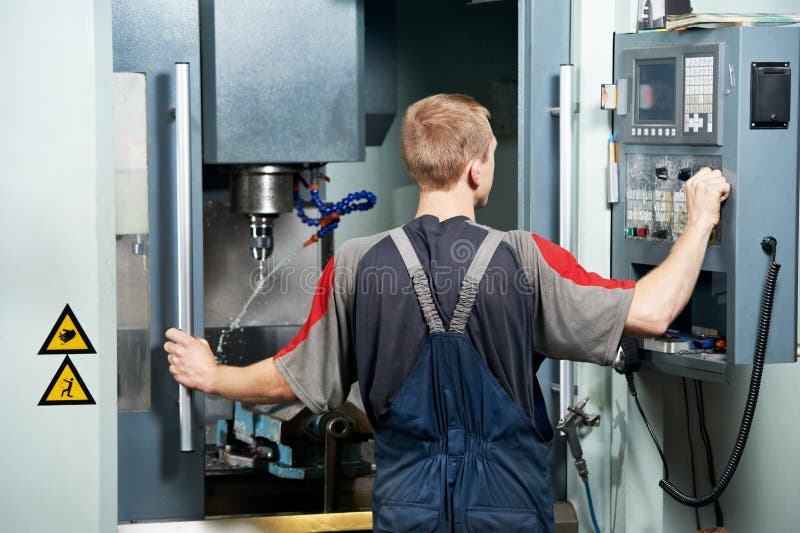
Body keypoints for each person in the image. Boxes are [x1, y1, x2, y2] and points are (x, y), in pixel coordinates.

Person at [164, 94, 729, 532]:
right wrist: (700, 216)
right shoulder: (525, 259)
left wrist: (213, 375)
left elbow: (293, 378)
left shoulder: (357, 266)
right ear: (476, 170)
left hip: (408, 510)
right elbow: (654, 311)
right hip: (507, 507)